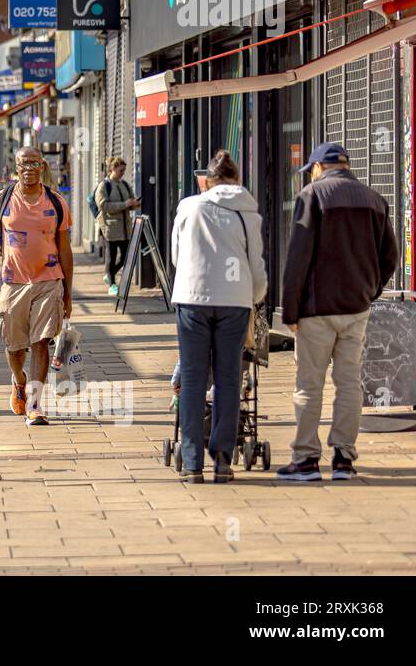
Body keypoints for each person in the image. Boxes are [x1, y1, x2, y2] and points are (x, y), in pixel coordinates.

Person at [278, 142, 398, 482]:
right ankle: (344, 457)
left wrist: (290, 309)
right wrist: (370, 290)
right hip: (356, 307)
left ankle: (305, 459)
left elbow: (298, 257)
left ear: (318, 167)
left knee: (309, 386)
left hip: (317, 309)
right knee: (349, 384)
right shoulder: (375, 200)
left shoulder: (312, 196)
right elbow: (390, 256)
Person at [170, 149, 267, 483]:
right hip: (234, 302)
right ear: (237, 180)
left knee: (194, 378)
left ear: (207, 182)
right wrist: (254, 297)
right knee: (228, 378)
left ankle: (193, 461)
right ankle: (222, 461)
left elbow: (176, 255)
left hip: (191, 299)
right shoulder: (248, 214)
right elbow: (256, 265)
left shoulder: (189, 207)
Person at [0, 146, 73, 427]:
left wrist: (68, 291)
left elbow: (65, 249)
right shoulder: (2, 200)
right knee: (14, 347)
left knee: (40, 342)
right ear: (15, 167)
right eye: (23, 163)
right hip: (13, 282)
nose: (28, 168)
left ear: (42, 166)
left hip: (48, 281)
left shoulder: (55, 202)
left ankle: (36, 404)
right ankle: (19, 380)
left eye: (34, 163)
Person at [95, 156, 141, 296]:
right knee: (111, 256)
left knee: (126, 256)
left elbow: (129, 203)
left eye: (124, 170)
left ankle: (110, 274)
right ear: (112, 169)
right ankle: (112, 284)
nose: (122, 173)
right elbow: (103, 206)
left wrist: (134, 204)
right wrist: (124, 205)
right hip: (110, 227)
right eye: (120, 170)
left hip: (125, 228)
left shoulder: (125, 185)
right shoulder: (104, 186)